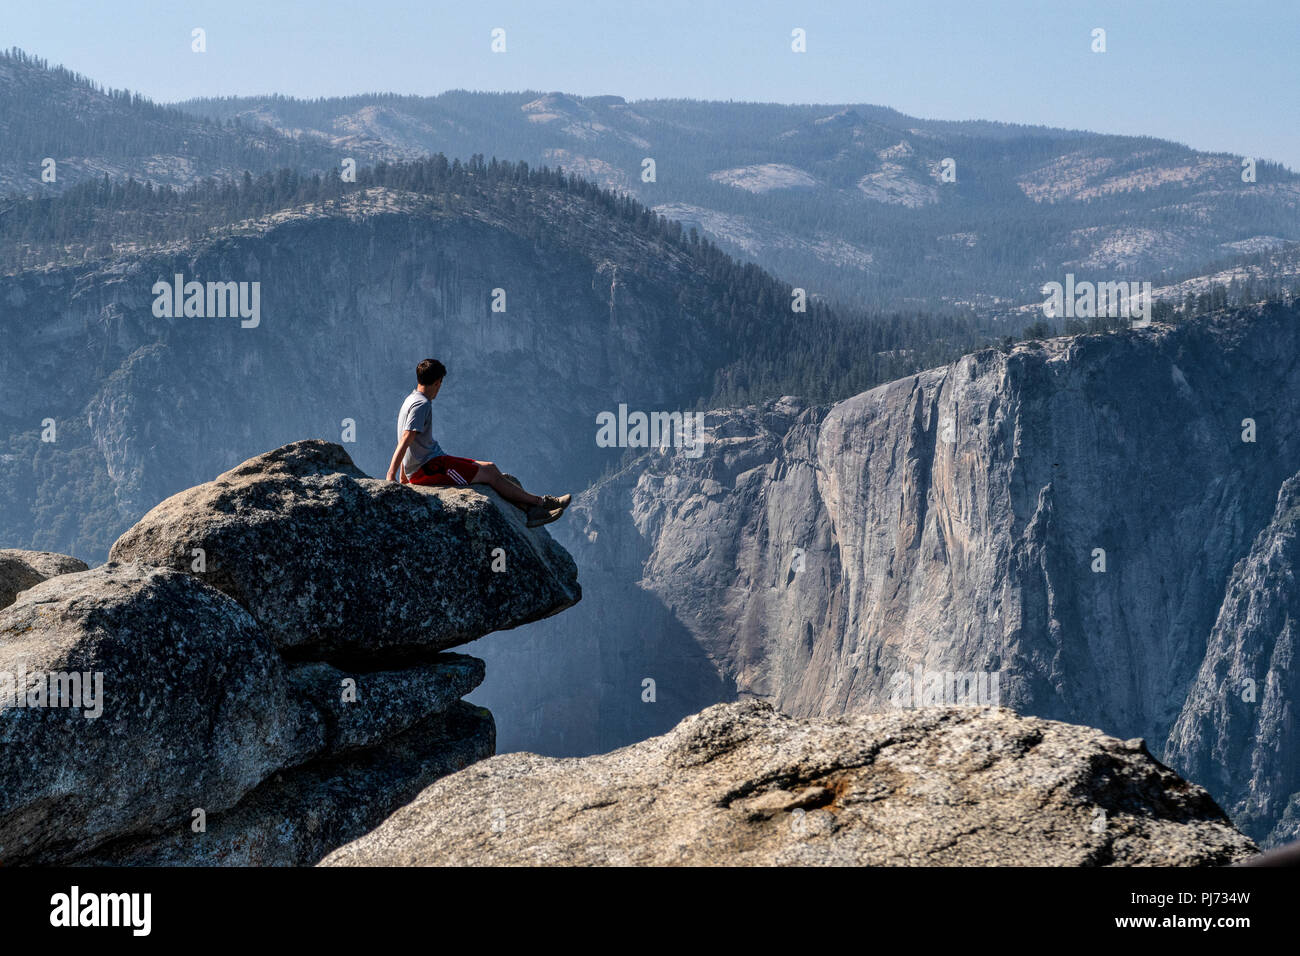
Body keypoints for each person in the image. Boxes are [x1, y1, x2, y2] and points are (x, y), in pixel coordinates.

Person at [386, 358, 571, 528]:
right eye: (441, 383)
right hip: (429, 468)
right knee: (489, 476)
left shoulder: (411, 399)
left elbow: (409, 442)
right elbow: (406, 438)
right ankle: (541, 503)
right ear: (437, 382)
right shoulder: (422, 404)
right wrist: (392, 475)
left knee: (490, 467)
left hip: (433, 461)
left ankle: (533, 509)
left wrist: (404, 475)